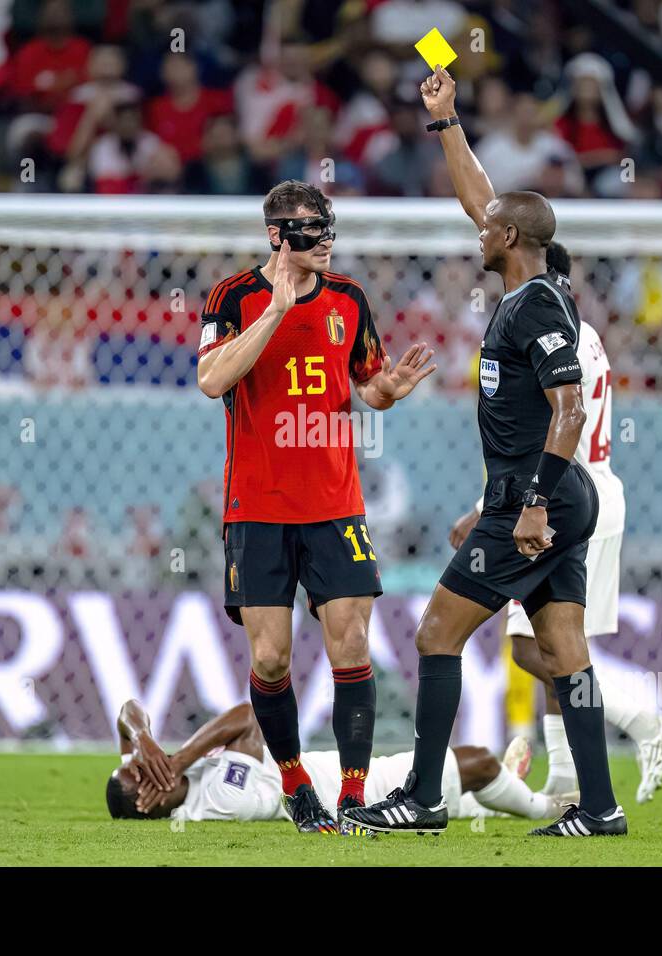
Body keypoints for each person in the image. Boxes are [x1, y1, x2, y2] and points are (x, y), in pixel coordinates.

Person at [344, 66, 624, 838]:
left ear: (509, 239)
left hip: (536, 500)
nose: (477, 227)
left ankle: (425, 799)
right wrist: (447, 122)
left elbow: (567, 408)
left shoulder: (533, 308)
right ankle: (600, 809)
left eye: (488, 225)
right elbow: (482, 200)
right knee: (565, 650)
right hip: (550, 500)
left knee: (437, 633)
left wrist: (527, 505)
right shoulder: (531, 287)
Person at [196, 179, 435, 834]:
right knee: (270, 659)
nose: (326, 240)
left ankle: (354, 796)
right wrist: (272, 313)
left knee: (351, 642)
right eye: (311, 230)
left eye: (329, 227)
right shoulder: (233, 298)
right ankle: (297, 783)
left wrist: (391, 388)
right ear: (278, 236)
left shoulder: (350, 300)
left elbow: (370, 384)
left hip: (335, 504)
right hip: (258, 507)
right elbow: (212, 378)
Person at [451, 241, 662, 817]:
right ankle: (563, 783)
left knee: (539, 649)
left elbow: (544, 434)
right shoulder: (584, 333)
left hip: (565, 497)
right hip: (595, 490)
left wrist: (487, 510)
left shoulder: (542, 325)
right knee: (553, 643)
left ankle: (642, 718)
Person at [108, 699, 553, 825]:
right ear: (149, 800)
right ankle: (542, 806)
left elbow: (127, 711)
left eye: (135, 762)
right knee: (475, 760)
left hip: (339, 769)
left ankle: (492, 800)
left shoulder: (163, 774)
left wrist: (141, 739)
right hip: (359, 792)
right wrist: (180, 756)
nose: (148, 764)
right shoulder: (224, 799)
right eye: (143, 773)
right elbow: (249, 716)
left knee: (461, 793)